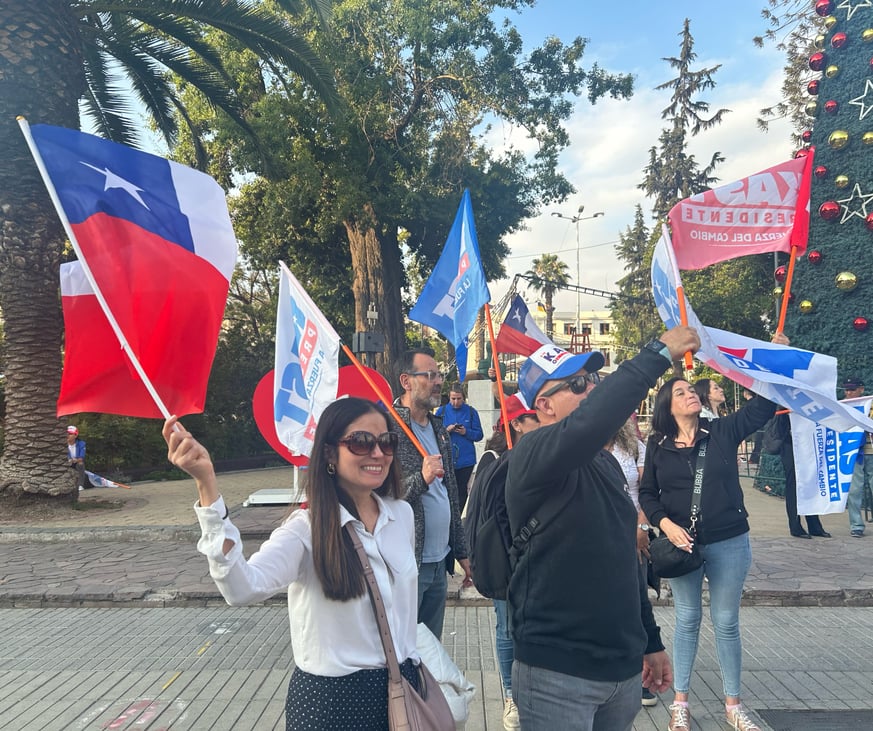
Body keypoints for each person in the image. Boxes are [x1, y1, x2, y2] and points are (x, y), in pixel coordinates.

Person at [163, 397, 420, 731]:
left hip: (403, 689)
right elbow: (242, 588)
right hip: (333, 704)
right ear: (329, 453)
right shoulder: (307, 529)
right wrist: (207, 485)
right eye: (360, 442)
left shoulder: (402, 515)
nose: (377, 453)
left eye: (387, 442)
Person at [506, 326, 700, 730]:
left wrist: (650, 640)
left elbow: (626, 561)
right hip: (555, 674)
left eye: (593, 380)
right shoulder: (530, 454)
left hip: (621, 672)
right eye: (577, 384)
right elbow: (590, 423)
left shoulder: (608, 464)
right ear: (544, 405)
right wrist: (658, 353)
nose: (591, 390)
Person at [639, 335, 787, 731]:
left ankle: (734, 705)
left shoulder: (721, 431)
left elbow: (762, 408)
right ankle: (681, 703)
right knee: (687, 618)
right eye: (682, 392)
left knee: (726, 621)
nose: (692, 394)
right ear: (667, 407)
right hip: (681, 546)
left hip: (729, 541)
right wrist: (666, 526)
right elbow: (648, 493)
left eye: (693, 391)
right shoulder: (657, 444)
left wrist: (767, 357)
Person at [469, 393, 539, 731]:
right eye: (533, 418)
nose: (541, 422)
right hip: (506, 562)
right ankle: (512, 695)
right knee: (508, 627)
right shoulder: (495, 459)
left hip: (539, 564)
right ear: (516, 424)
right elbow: (490, 518)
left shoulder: (541, 455)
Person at [391, 348, 472, 639]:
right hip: (409, 562)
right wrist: (421, 480)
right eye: (430, 375)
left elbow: (451, 494)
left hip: (440, 562)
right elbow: (382, 495)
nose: (438, 381)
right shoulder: (389, 428)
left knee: (431, 650)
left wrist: (462, 552)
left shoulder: (439, 428)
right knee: (404, 648)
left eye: (439, 375)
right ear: (406, 380)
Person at [606, 417, 657, 708]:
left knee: (636, 604)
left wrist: (642, 527)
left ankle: (639, 674)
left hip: (634, 534)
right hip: (601, 535)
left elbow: (648, 490)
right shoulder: (587, 444)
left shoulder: (635, 447)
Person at [767, 412, 831, 539]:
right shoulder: (785, 397)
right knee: (794, 484)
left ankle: (814, 525)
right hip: (789, 442)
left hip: (806, 442)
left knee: (809, 481)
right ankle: (795, 526)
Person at [435, 382, 484, 511]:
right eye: (453, 399)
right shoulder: (442, 411)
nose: (456, 402)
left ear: (464, 398)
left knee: (462, 491)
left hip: (466, 459)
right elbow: (434, 433)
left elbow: (479, 435)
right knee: (447, 490)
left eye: (459, 399)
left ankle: (461, 516)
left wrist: (466, 432)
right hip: (446, 458)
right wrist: (447, 430)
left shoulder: (471, 412)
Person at [842, 376, 872, 537]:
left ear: (861, 389)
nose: (849, 392)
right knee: (854, 491)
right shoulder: (842, 405)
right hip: (853, 453)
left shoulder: (870, 404)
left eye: (852, 389)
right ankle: (856, 525)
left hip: (870, 451)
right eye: (847, 389)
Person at [66, 425, 90, 491]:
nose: (67, 435)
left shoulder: (81, 444)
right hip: (67, 463)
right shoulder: (62, 444)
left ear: (75, 436)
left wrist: (75, 460)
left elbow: (81, 457)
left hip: (76, 462)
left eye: (70, 434)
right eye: (66, 433)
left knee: (80, 464)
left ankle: (80, 485)